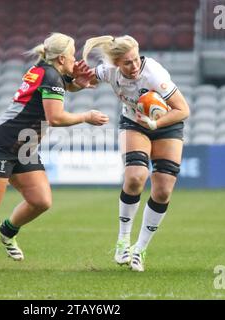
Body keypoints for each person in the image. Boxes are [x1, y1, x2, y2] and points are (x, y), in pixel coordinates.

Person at [0, 33, 109, 272]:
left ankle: (6, 231)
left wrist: (79, 85)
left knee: (40, 201)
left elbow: (60, 88)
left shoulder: (45, 70)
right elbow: (55, 118)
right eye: (73, 52)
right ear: (63, 57)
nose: (75, 57)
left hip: (23, 147)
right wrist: (86, 116)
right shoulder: (51, 75)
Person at [82, 35, 190, 272]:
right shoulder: (108, 71)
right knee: (135, 177)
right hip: (134, 121)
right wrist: (77, 78)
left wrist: (155, 125)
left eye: (134, 60)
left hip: (167, 123)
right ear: (116, 63)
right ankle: (123, 241)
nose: (133, 67)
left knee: (162, 190)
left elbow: (183, 110)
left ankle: (139, 250)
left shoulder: (154, 75)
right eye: (126, 63)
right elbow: (82, 81)